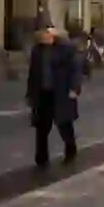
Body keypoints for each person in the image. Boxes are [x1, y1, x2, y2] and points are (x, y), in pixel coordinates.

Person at [26, 15, 82, 170]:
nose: (41, 36)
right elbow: (33, 73)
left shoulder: (65, 48)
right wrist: (30, 93)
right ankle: (41, 158)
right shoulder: (37, 51)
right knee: (41, 127)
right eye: (39, 34)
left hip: (61, 92)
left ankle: (70, 150)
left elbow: (75, 69)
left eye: (44, 33)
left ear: (51, 33)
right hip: (43, 93)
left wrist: (74, 88)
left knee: (64, 123)